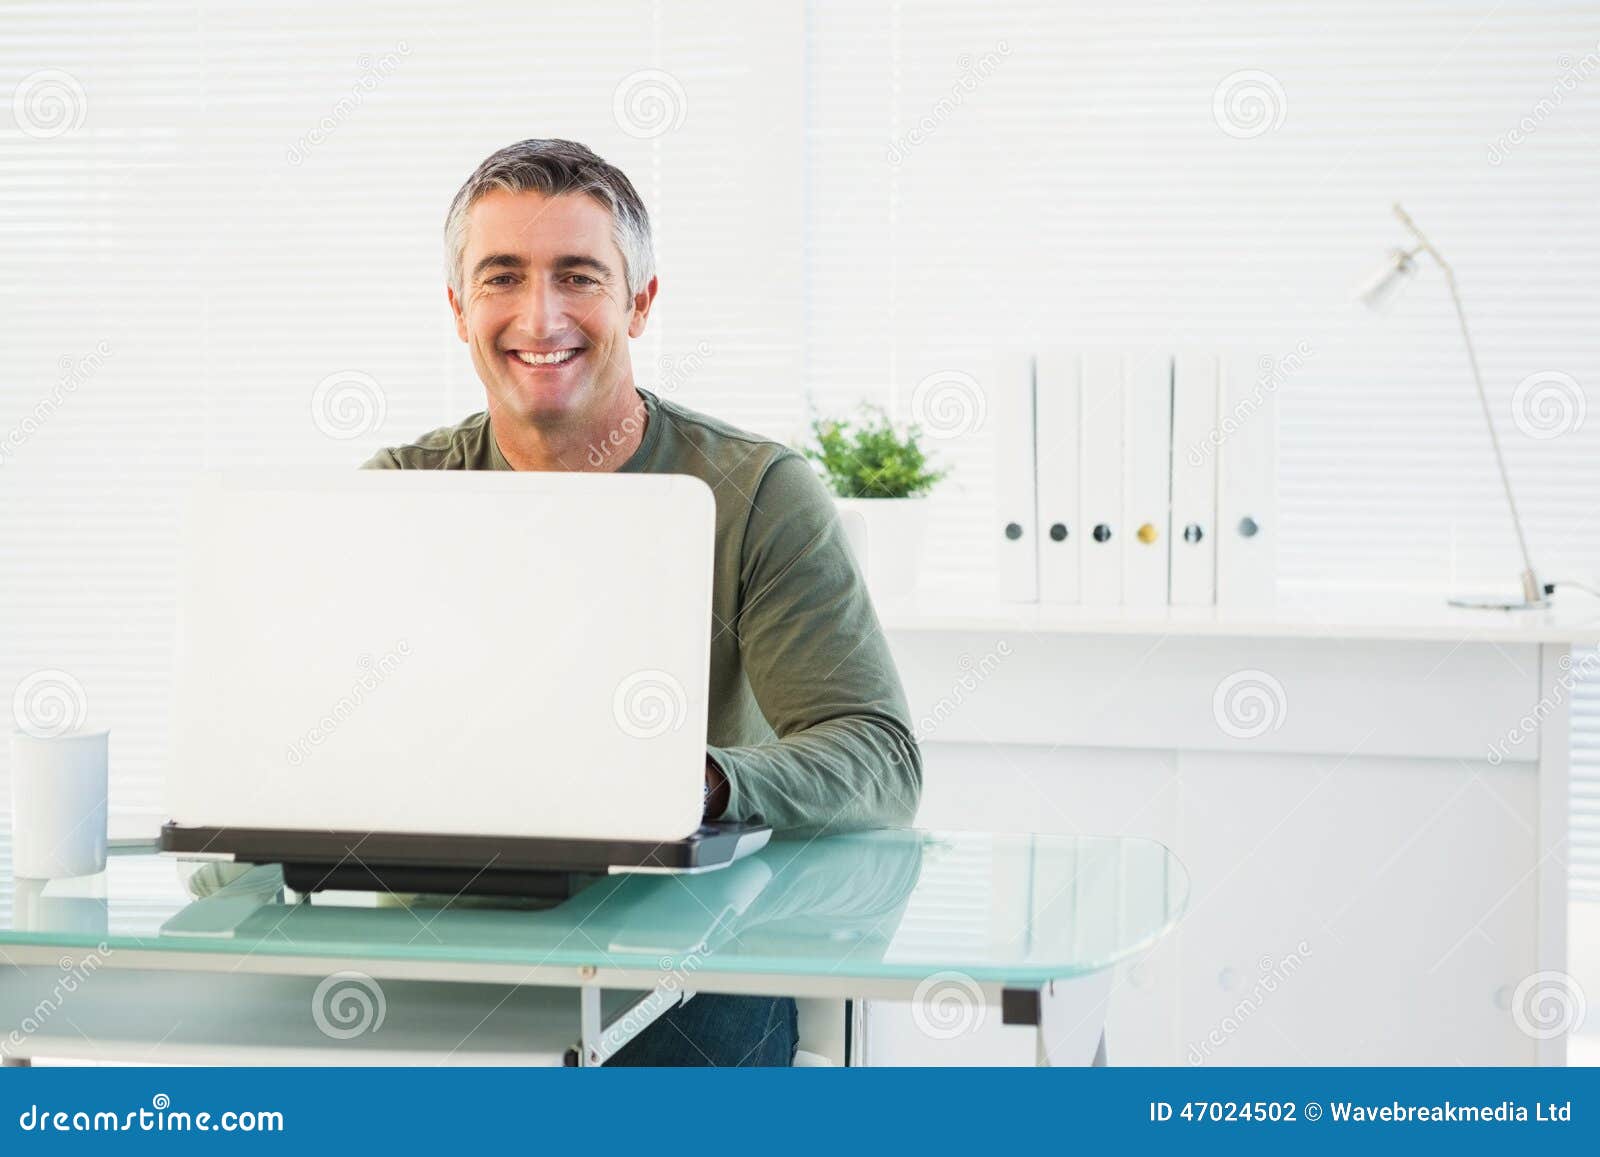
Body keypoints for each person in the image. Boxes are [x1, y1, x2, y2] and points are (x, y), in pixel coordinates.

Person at [360, 138, 923, 1066]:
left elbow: (879, 756)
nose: (540, 315)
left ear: (641, 301)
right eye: (502, 277)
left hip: (681, 953)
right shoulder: (396, 491)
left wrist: (701, 780)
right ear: (460, 309)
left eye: (578, 276)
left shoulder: (757, 493)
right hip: (437, 939)